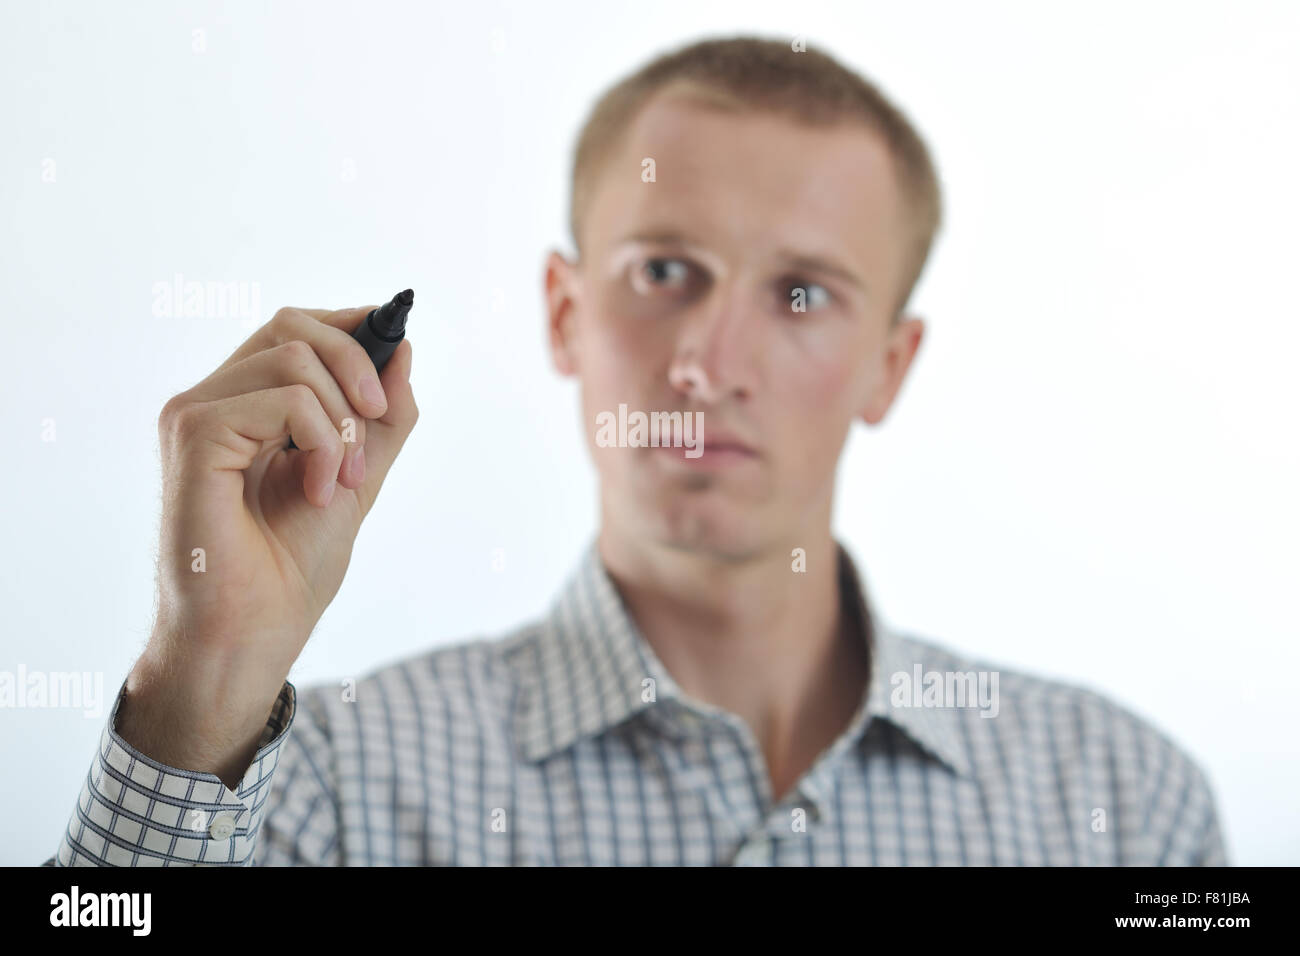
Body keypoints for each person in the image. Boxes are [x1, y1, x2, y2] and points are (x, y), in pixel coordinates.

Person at [48, 34, 1226, 866]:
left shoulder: (1120, 804)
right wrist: (202, 679)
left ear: (890, 364)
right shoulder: (326, 790)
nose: (709, 362)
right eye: (664, 272)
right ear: (564, 313)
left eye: (803, 293)